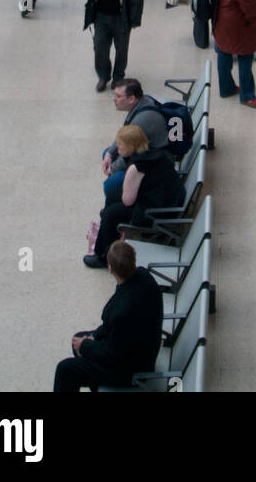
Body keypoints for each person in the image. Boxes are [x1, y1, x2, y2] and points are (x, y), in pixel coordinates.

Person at [54, 240, 163, 391]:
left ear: (110, 268)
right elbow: (113, 331)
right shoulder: (144, 277)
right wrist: (94, 337)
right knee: (80, 338)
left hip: (130, 369)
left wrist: (85, 345)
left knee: (65, 370)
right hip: (142, 348)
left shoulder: (122, 312)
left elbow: (112, 354)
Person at [84, 124, 184, 266]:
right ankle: (108, 232)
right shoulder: (150, 151)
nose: (117, 147)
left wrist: (127, 181)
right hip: (169, 198)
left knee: (111, 214)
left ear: (131, 146)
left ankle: (103, 256)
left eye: (120, 144)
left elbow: (128, 201)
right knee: (113, 194)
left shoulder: (136, 167)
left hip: (157, 212)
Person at [101, 78, 169, 201]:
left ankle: (119, 197)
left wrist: (112, 169)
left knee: (110, 185)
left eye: (118, 96)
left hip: (154, 163)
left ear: (131, 99)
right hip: (142, 152)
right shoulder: (142, 103)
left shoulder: (142, 120)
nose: (114, 99)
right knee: (107, 152)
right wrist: (110, 153)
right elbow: (124, 135)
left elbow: (126, 154)